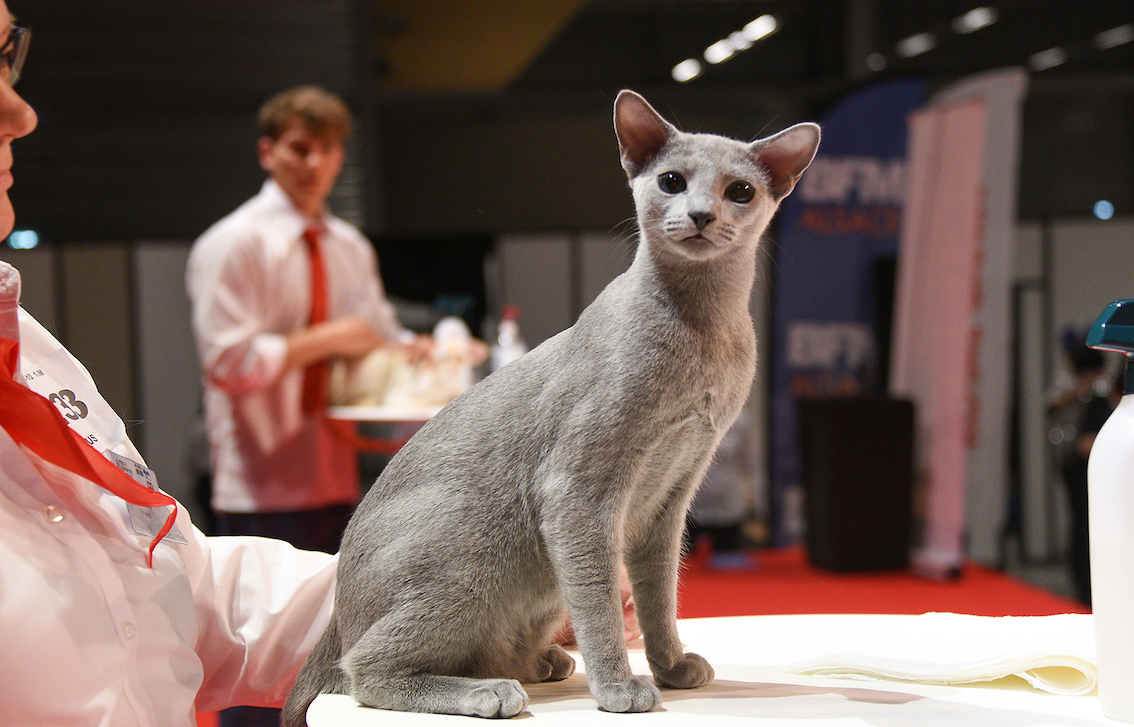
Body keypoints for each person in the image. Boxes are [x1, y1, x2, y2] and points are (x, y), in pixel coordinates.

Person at [0, 10, 339, 726]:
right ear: (268, 152)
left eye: (6, 56)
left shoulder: (22, 337)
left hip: (328, 456)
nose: (19, 112)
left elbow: (176, 586)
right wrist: (331, 338)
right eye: (303, 147)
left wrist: (476, 591)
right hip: (262, 464)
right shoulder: (233, 242)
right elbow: (231, 362)